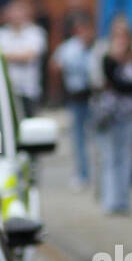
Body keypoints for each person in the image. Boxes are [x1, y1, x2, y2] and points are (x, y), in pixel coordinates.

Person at [96, 20, 132, 215]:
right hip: (111, 113)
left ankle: (124, 200)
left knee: (128, 155)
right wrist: (117, 61)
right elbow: (115, 82)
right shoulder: (107, 58)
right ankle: (111, 200)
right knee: (111, 155)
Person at [49, 13, 97, 190]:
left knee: (95, 138)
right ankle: (81, 174)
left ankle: (95, 174)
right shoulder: (69, 49)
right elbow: (55, 65)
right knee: (78, 138)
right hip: (76, 97)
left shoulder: (95, 48)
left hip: (93, 97)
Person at [0, 1, 48, 117]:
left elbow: (30, 55)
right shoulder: (1, 34)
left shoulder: (36, 33)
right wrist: (18, 55)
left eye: (19, 13)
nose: (16, 17)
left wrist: (7, 55)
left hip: (28, 89)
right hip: (6, 89)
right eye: (13, 14)